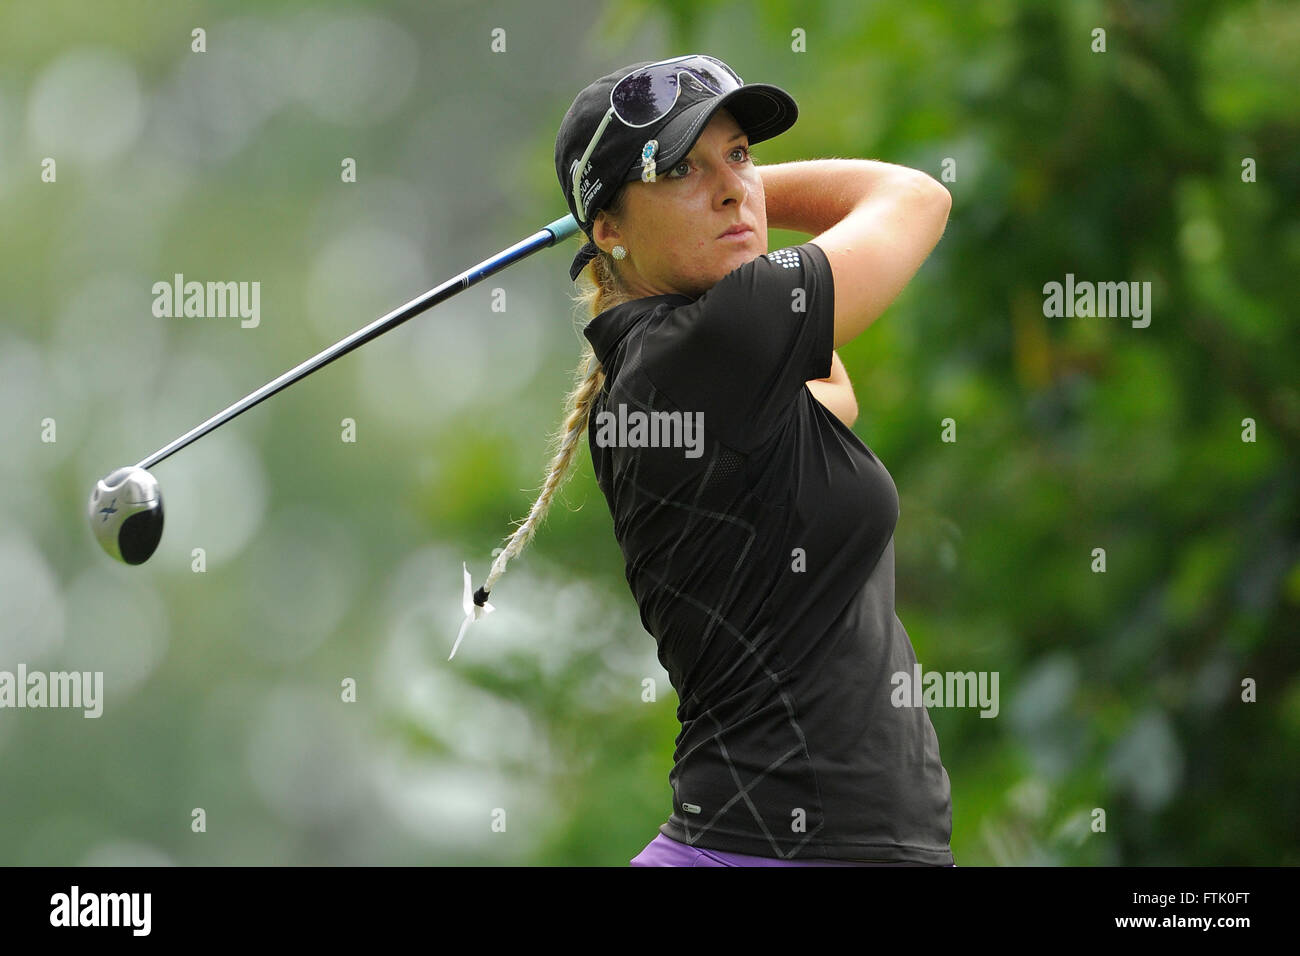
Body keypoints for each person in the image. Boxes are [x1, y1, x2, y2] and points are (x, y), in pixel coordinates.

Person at [461, 54, 955, 866]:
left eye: (741, 155)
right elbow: (914, 197)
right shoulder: (716, 343)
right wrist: (753, 197)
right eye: (681, 167)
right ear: (608, 230)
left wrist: (710, 196)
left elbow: (835, 393)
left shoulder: (672, 364)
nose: (732, 188)